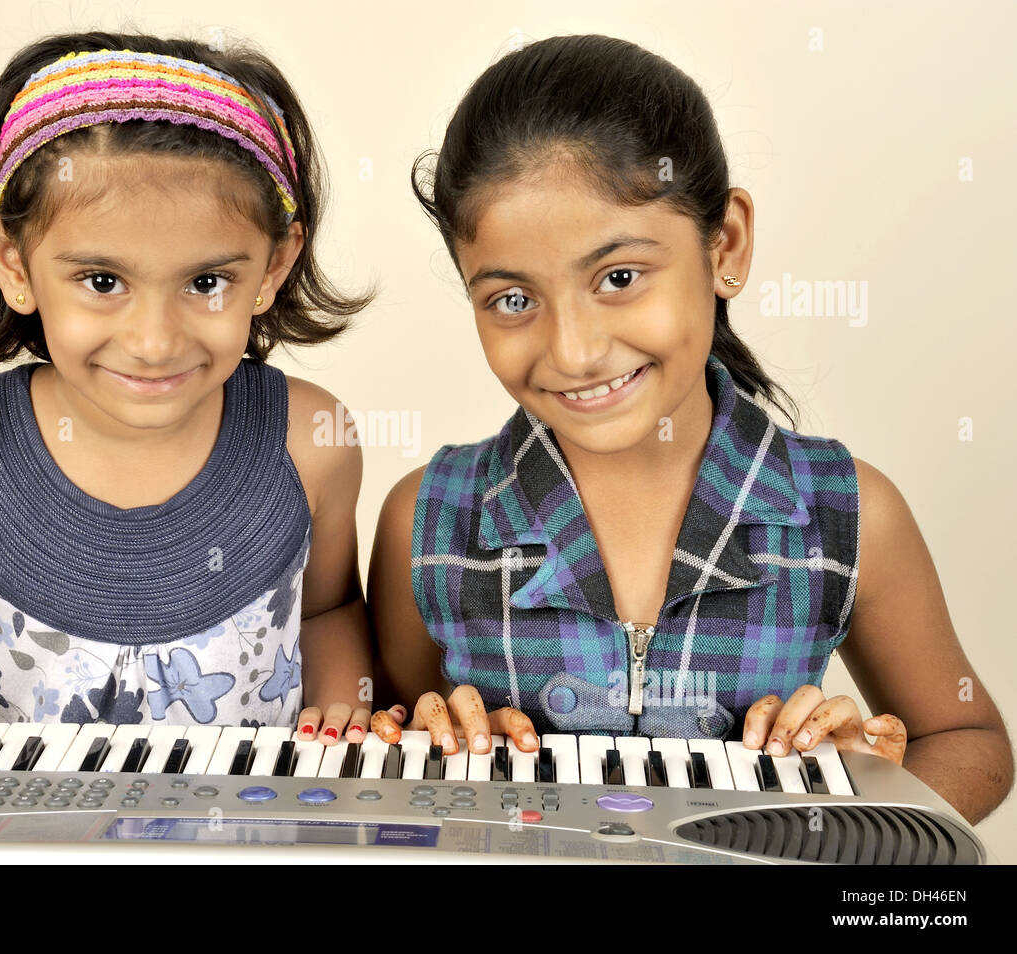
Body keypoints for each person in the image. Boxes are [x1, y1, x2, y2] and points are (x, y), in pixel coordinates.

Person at [367, 34, 1011, 824]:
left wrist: (857, 796)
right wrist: (433, 744)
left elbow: (971, 739)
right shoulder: (426, 521)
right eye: (512, 299)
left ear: (725, 245)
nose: (573, 351)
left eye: (620, 278)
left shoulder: (847, 513)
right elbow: (386, 747)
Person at [0, 33, 377, 748]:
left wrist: (341, 714)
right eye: (102, 281)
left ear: (274, 266)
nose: (154, 341)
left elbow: (328, 608)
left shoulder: (310, 444)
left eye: (206, 283)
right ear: (12, 260)